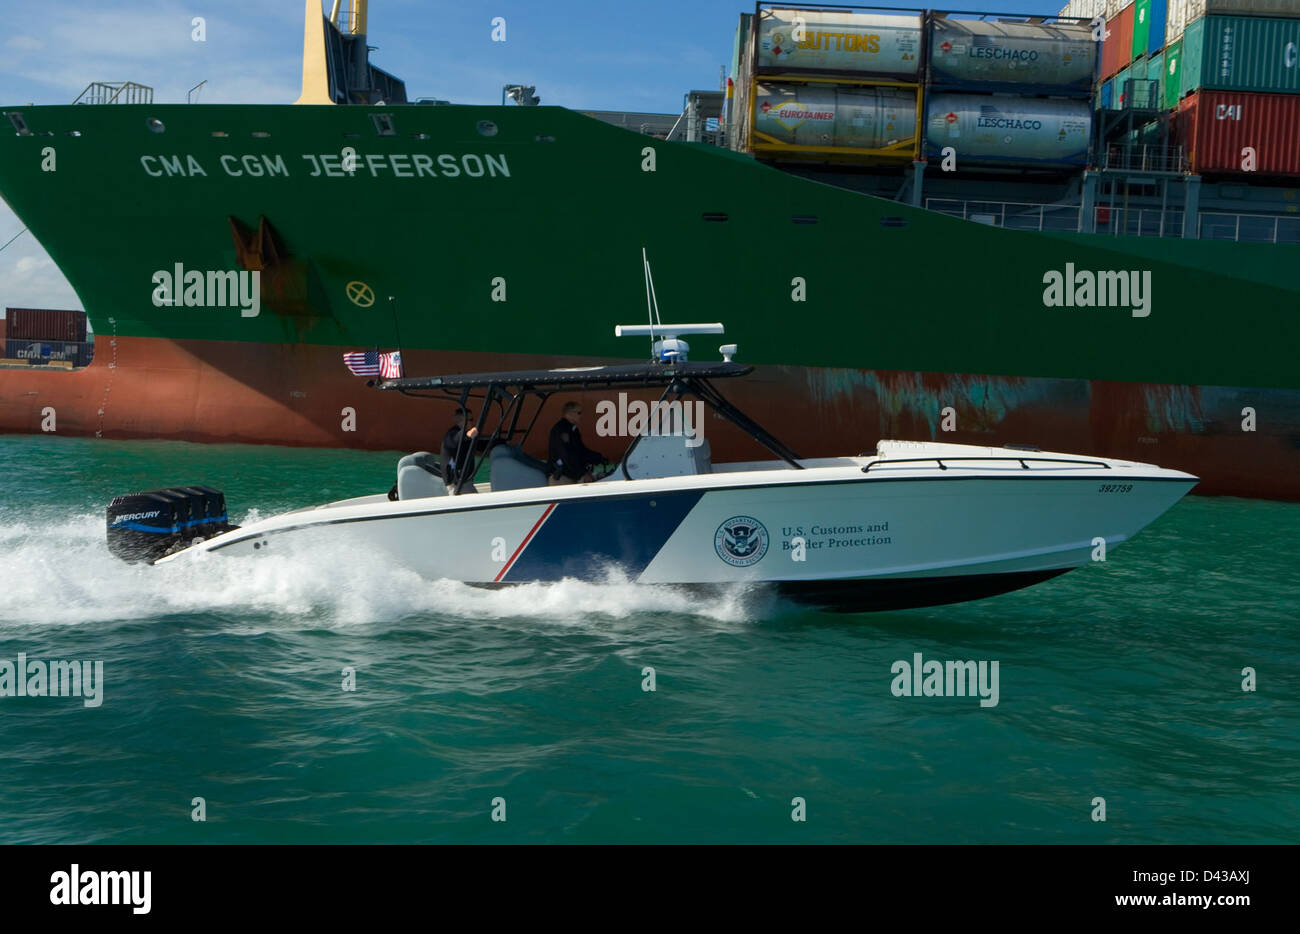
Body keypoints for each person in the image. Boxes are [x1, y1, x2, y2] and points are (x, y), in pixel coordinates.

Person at [547, 401, 606, 484]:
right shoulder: (561, 430)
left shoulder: (573, 430)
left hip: (571, 475)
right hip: (562, 478)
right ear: (569, 414)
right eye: (579, 413)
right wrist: (582, 473)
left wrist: (598, 457)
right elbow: (566, 454)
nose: (581, 416)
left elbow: (581, 450)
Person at [441, 406, 486, 494]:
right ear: (459, 421)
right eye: (468, 420)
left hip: (465, 481)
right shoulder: (451, 435)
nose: (471, 422)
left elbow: (481, 445)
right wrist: (468, 434)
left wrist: (501, 442)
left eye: (472, 419)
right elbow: (457, 438)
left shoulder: (467, 438)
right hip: (458, 484)